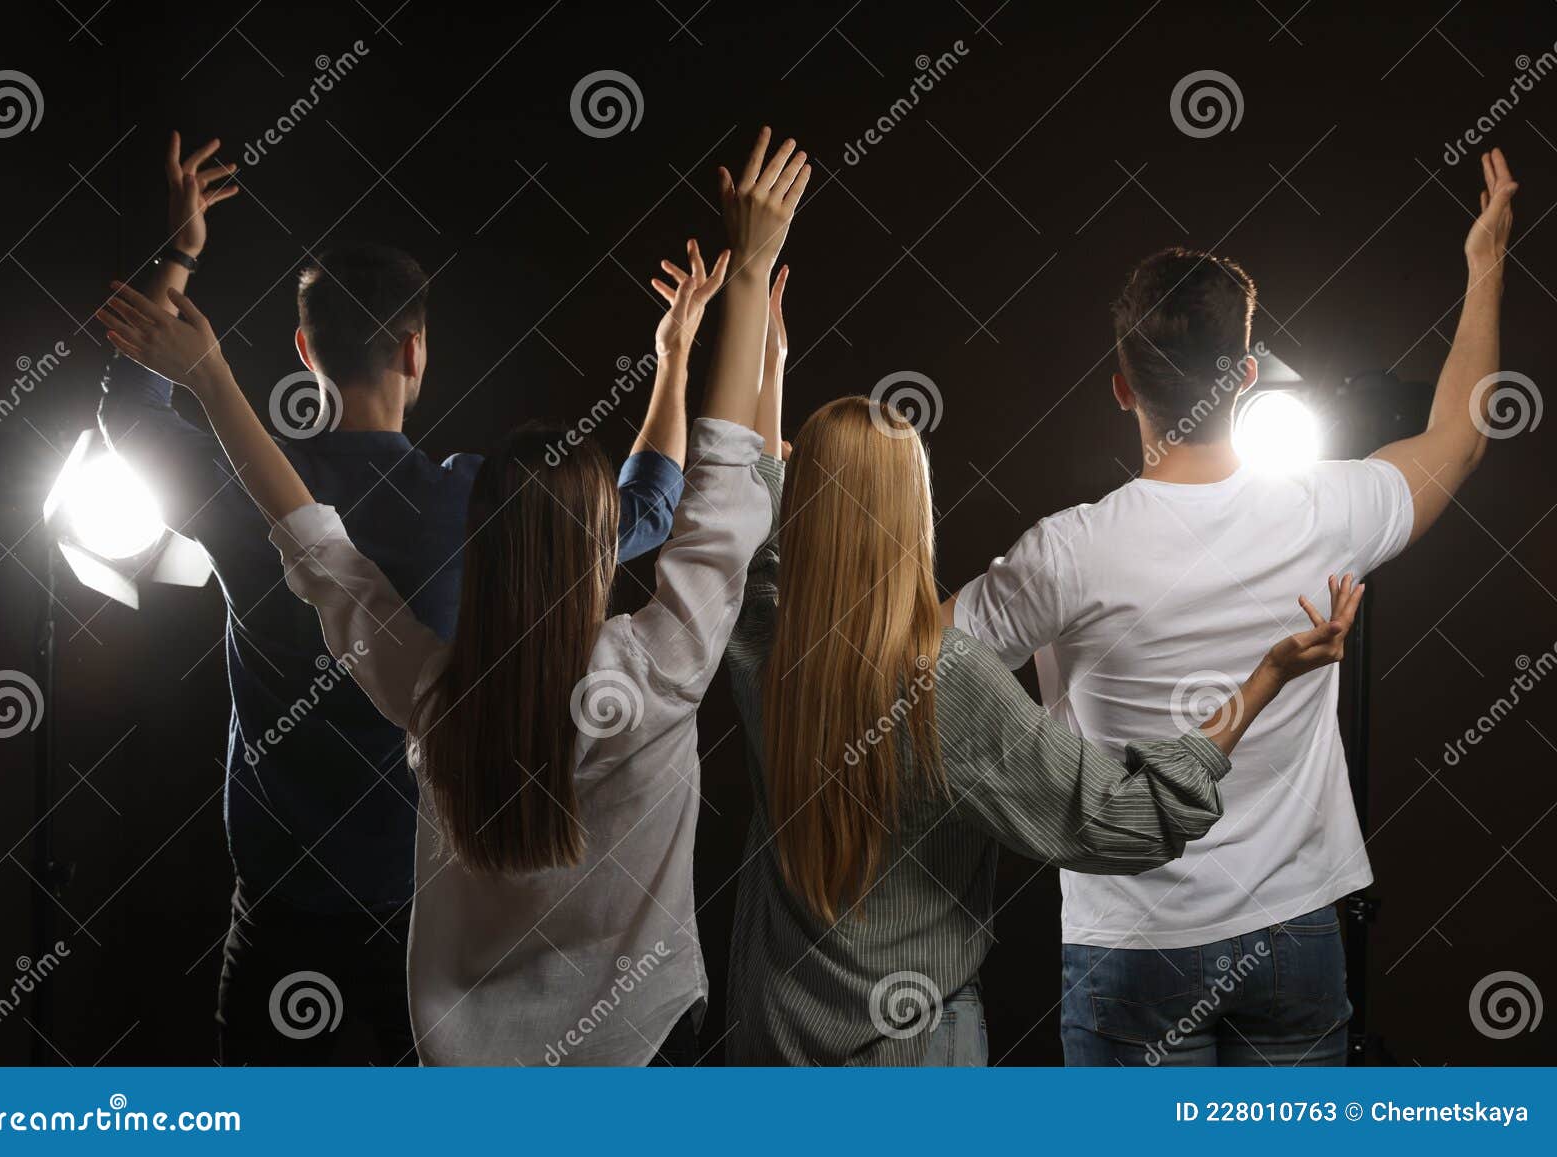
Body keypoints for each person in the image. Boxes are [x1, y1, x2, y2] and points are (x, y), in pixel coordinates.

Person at [96, 126, 811, 1065]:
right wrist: (682, 351)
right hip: (447, 937)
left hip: (283, 907)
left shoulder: (278, 538)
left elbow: (157, 435)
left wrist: (183, 269)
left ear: (306, 349)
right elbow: (667, 505)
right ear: (415, 351)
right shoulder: (481, 514)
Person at [945, 150, 1518, 1066]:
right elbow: (1461, 436)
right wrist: (1486, 265)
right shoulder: (1326, 510)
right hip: (1292, 934)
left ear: (1123, 385)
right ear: (1246, 374)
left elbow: (909, 659)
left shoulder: (1069, 551)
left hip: (1133, 945)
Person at [721, 270, 1366, 1065]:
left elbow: (755, 521)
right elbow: (1131, 820)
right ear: (913, 514)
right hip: (915, 1057)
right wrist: (1267, 676)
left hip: (768, 1046)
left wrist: (763, 352)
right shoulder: (945, 681)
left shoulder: (761, 643)